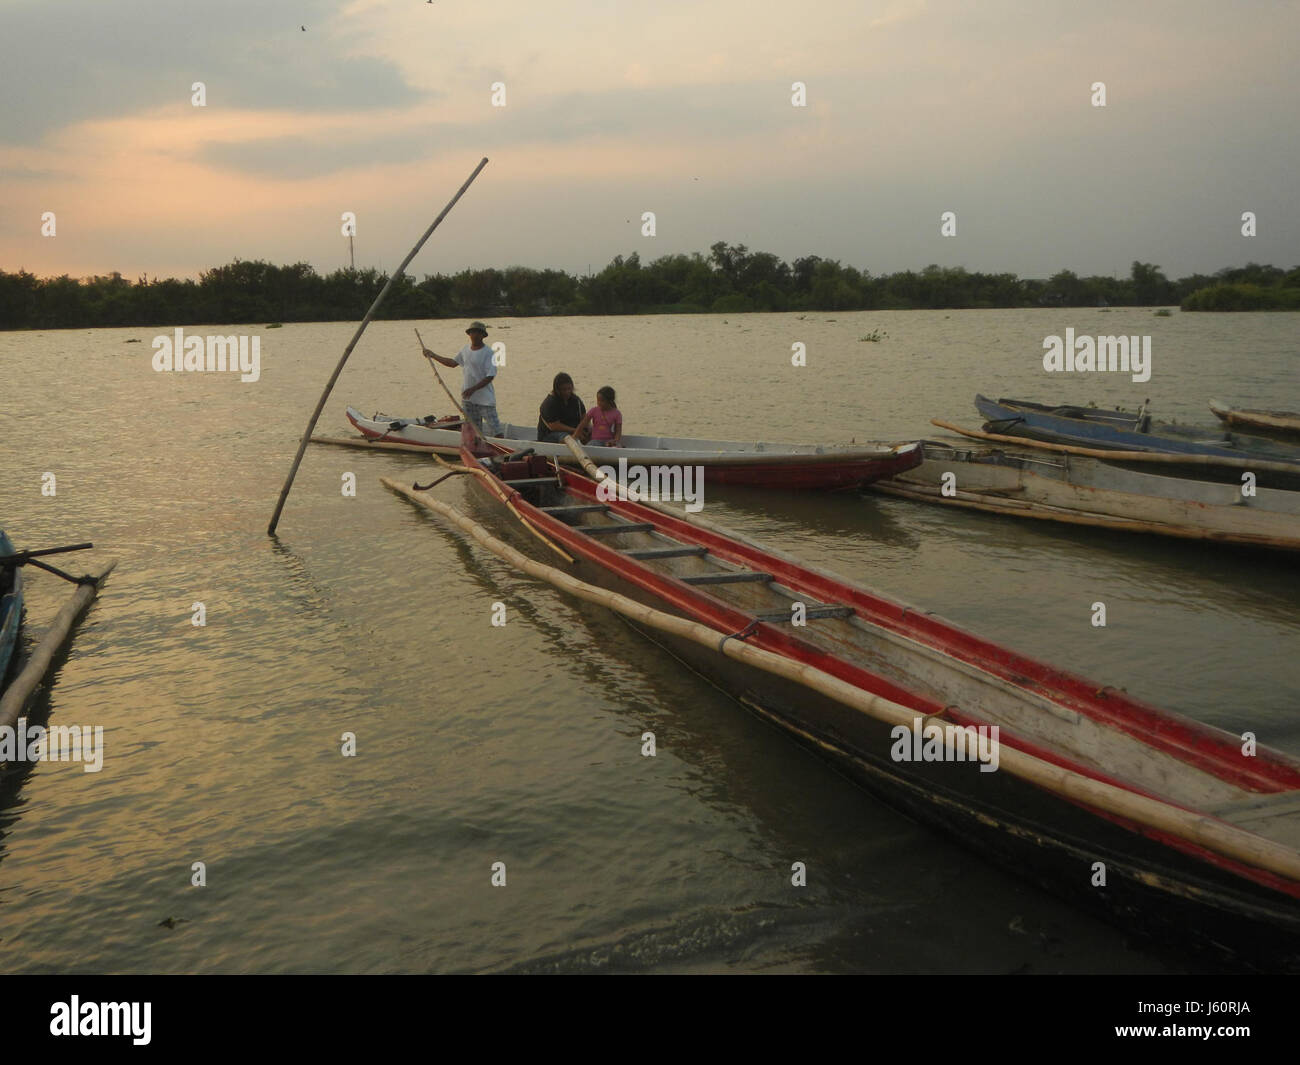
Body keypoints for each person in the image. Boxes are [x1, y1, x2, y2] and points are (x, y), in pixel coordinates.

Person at [423, 322, 500, 438]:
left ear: (483, 335)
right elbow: (453, 363)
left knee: (496, 430)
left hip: (485, 399)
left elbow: (490, 376)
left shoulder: (489, 353)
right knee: (474, 431)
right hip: (468, 400)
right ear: (469, 334)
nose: (475, 335)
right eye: (472, 332)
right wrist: (433, 355)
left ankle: (503, 449)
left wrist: (473, 389)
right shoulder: (465, 350)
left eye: (478, 333)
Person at [537, 372, 587, 443]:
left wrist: (586, 429)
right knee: (566, 436)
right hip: (549, 435)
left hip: (574, 431)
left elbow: (584, 417)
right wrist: (575, 431)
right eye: (564, 389)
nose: (567, 392)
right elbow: (554, 426)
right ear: (557, 389)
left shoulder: (576, 400)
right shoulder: (549, 403)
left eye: (569, 389)